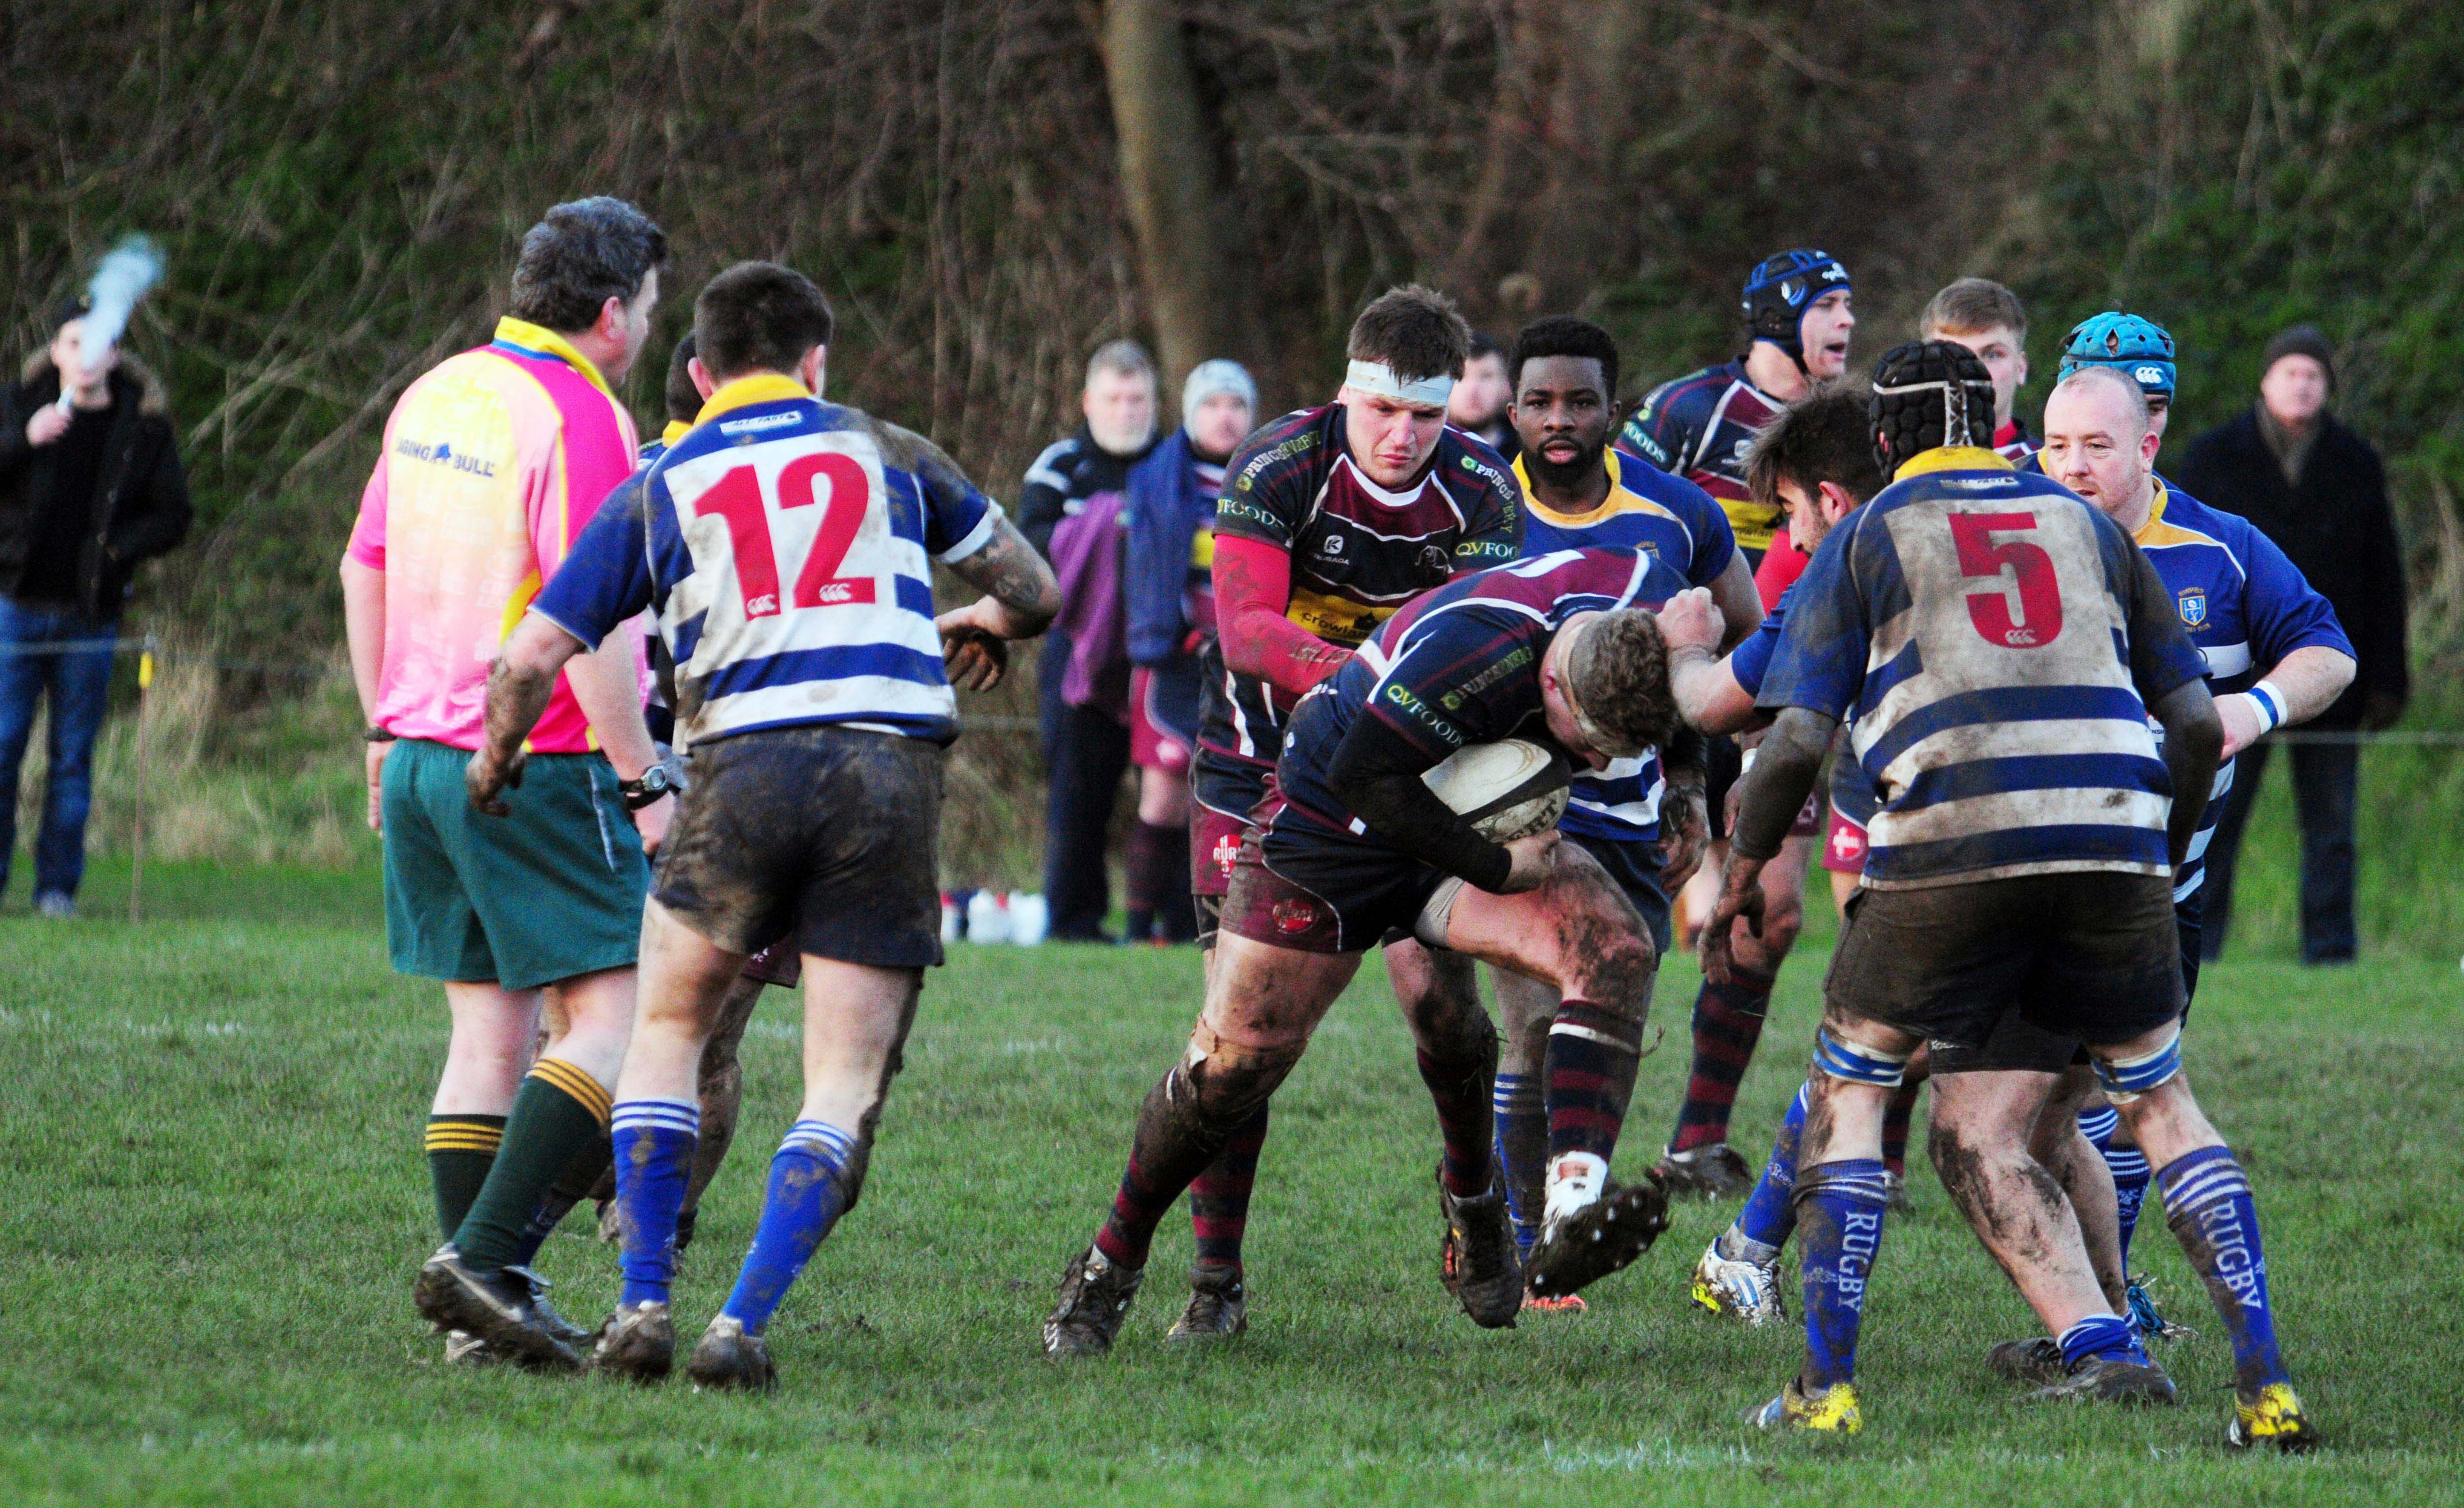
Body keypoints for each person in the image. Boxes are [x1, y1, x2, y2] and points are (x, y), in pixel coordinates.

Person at [1700, 341, 2316, 1453]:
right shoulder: (2087, 526)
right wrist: (2151, 849)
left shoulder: (1866, 532)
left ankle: (1822, 1388)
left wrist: (1735, 873)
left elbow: (1792, 740)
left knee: (1850, 1085)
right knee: (2159, 1105)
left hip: (1948, 850)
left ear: (1881, 440)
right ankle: (2259, 1388)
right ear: (1996, 425)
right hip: (2118, 851)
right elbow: (2187, 726)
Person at [466, 260, 1060, 1388]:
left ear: (696, 371)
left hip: (737, 769)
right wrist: (974, 618)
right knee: (839, 1078)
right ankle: (738, 1324)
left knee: (667, 1032)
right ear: (817, 362)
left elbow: (533, 653)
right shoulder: (892, 449)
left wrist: (494, 761)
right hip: (886, 775)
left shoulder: (663, 474)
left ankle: (641, 1302)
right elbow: (1033, 588)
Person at [1044, 549, 1688, 1358]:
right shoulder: (1473, 654)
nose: (1594, 765)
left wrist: (1690, 778)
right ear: (1554, 685)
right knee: (1231, 1072)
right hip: (1336, 823)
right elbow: (1363, 776)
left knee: (1611, 951)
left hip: (1463, 805)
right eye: (1590, 742)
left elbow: (1707, 671)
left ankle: (1564, 1210)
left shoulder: (1638, 595)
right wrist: (1493, 867)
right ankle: (1111, 1264)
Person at [1958, 362, 2350, 1376]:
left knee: (1989, 1112)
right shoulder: (2005, 539)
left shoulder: (2220, 547)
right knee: (2054, 1107)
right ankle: (2113, 1332)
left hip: (2146, 899)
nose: (2072, 466)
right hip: (2019, 888)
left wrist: (2246, 711)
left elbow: (2326, 649)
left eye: (2096, 445)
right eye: (2055, 445)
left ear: (2147, 445)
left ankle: (2095, 1336)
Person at [344, 197, 669, 1368]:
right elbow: (599, 619)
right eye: (644, 303)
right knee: (616, 1017)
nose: (644, 323)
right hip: (539, 760)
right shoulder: (579, 408)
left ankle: (480, 1326)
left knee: (486, 1032)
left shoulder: (436, 389)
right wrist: (643, 779)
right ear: (608, 312)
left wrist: (381, 724)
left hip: (422, 760)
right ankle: (482, 1264)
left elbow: (362, 560)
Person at [1162, 286, 1521, 1342]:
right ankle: (1213, 1280)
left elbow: (1480, 652)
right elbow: (1244, 629)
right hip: (1253, 764)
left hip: (1409, 776)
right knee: (1238, 1043)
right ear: (1346, 393)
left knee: (1442, 1009)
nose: (1403, 437)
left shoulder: (1481, 491)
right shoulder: (1277, 464)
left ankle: (1472, 1199)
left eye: (1426, 415)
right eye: (1383, 413)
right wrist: (1368, 674)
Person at [1487, 315, 1760, 1309]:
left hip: (1631, 806)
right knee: (1530, 1016)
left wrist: (1692, 780)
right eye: (1539, 402)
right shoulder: (1476, 505)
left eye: (1579, 402)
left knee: (1615, 1007)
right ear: (1510, 408)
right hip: (1512, 800)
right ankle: (1534, 1242)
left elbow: (1730, 652)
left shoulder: (1676, 513)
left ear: (1616, 410)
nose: (1558, 422)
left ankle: (1537, 1213)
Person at [1619, 250, 1855, 1194]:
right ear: (1777, 316)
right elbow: (1613, 512)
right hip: (1672, 693)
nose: (1845, 321)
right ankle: (1563, 1120)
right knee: (1629, 906)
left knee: (1771, 912)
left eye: (1850, 306)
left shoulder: (1847, 426)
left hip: (1776, 699)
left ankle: (1694, 1139)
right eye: (1827, 305)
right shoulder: (1686, 411)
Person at [2180, 324, 2407, 965]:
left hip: (2330, 674)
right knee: (2212, 821)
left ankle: (2331, 950)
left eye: (2313, 375)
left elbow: (2384, 575)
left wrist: (2388, 677)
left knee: (2332, 829)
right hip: (2231, 672)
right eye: (2290, 373)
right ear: (2265, 380)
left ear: (2327, 386)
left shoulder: (2355, 459)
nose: (2301, 385)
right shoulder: (2213, 455)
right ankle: (2204, 938)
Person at [0, 297, 191, 916]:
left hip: (90, 618)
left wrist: (116, 551)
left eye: (101, 340)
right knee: (2, 748)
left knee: (72, 759)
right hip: (15, 608)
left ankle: (56, 891)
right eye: (74, 341)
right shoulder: (20, 408)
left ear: (117, 354)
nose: (86, 354)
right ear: (55, 350)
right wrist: (22, 443)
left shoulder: (143, 429)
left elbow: (173, 514)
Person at [1019, 342, 1162, 942]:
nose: (1126, 411)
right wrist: (1106, 526)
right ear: (1087, 401)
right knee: (1078, 792)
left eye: (1138, 399)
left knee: (1172, 792)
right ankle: (1075, 919)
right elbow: (1028, 549)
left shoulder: (1176, 463)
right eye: (1114, 398)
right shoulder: (1058, 466)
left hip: (1165, 653)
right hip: (1077, 652)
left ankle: (1176, 917)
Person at [1120, 359, 1256, 945]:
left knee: (1229, 793)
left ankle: (1210, 921)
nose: (1224, 417)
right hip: (1174, 656)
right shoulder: (1157, 476)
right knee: (1166, 784)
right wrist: (1178, 634)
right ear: (1190, 413)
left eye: (1236, 405)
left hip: (1241, 661)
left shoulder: (1268, 478)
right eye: (1212, 404)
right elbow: (1146, 569)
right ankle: (1135, 925)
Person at [1923, 278, 2035, 462]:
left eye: (1992, 355)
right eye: (1953, 356)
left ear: (2021, 368)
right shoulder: (1895, 475)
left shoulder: (2056, 473)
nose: (1971, 371)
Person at [1448, 331, 1518, 463]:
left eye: (1486, 376)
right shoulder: (1424, 453)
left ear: (1507, 386)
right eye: (1461, 376)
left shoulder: (1527, 457)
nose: (1473, 389)